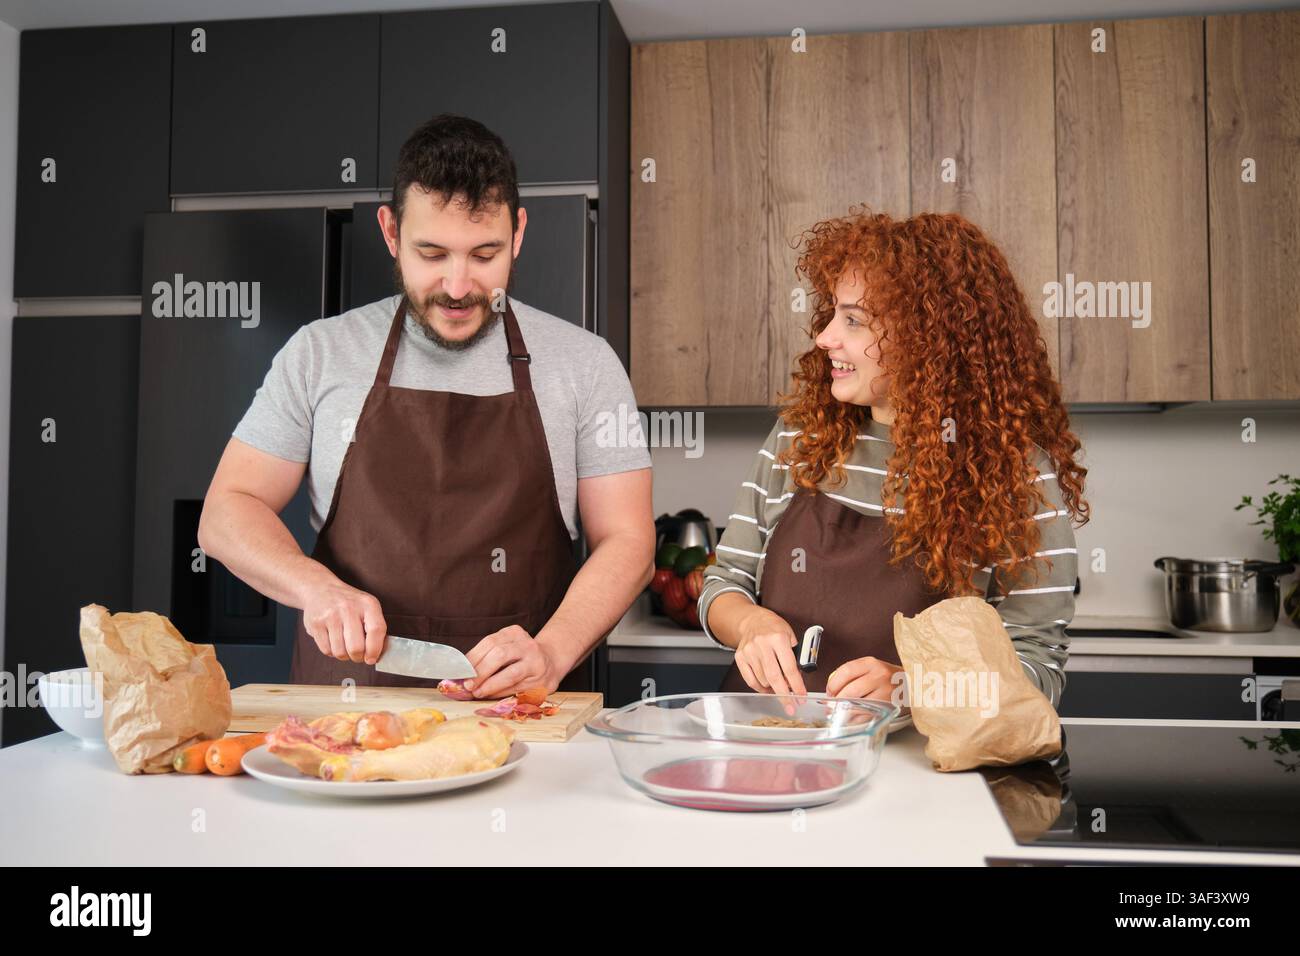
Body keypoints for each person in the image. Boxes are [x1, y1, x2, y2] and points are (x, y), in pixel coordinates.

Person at [198, 114, 654, 697]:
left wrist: (552, 649)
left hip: (524, 707)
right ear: (391, 233)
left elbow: (630, 541)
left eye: (484, 254)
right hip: (350, 708)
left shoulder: (586, 365)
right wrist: (314, 586)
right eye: (432, 254)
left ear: (518, 233)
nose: (459, 286)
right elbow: (227, 510)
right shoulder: (319, 353)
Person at [699, 208, 1089, 707]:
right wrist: (748, 622)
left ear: (928, 338)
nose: (825, 338)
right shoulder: (799, 437)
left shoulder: (1017, 475)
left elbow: (1037, 668)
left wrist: (912, 687)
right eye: (833, 313)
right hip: (770, 746)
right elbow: (724, 583)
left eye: (854, 321)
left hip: (918, 770)